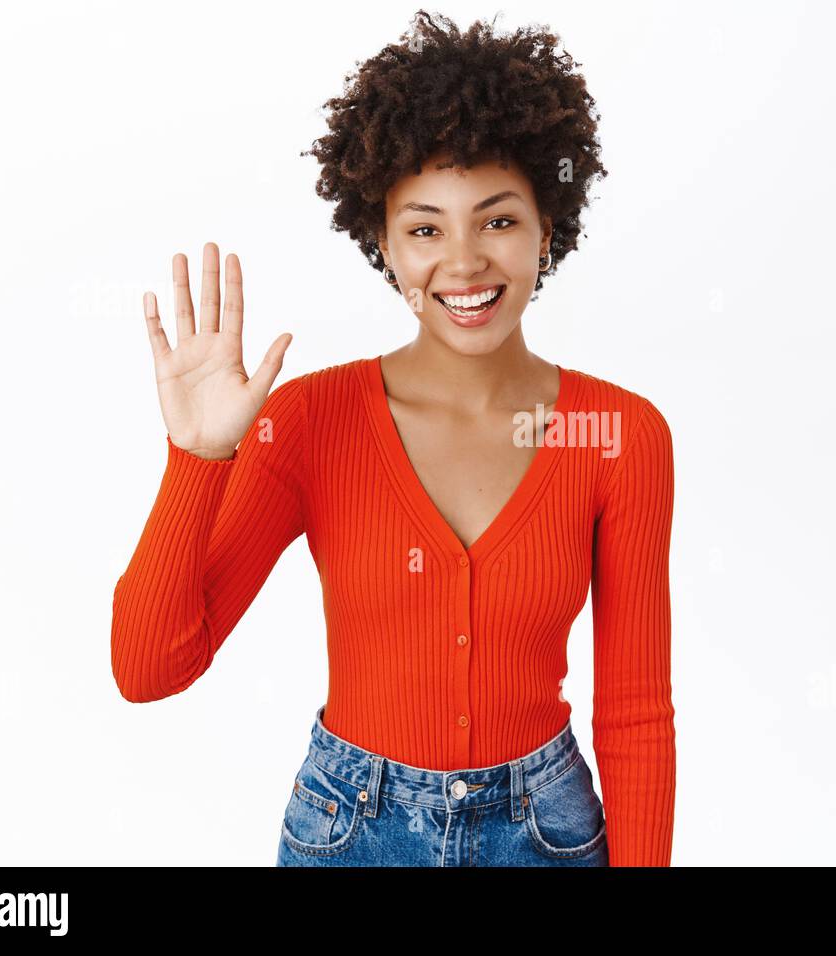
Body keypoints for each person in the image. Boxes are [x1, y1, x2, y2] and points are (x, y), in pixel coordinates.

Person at [111, 10, 675, 867]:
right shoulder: (308, 423)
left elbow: (635, 717)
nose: (462, 262)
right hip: (350, 833)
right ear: (382, 244)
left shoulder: (620, 437)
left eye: (497, 220)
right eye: (424, 228)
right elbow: (149, 669)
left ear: (546, 230)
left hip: (546, 836)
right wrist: (197, 459)